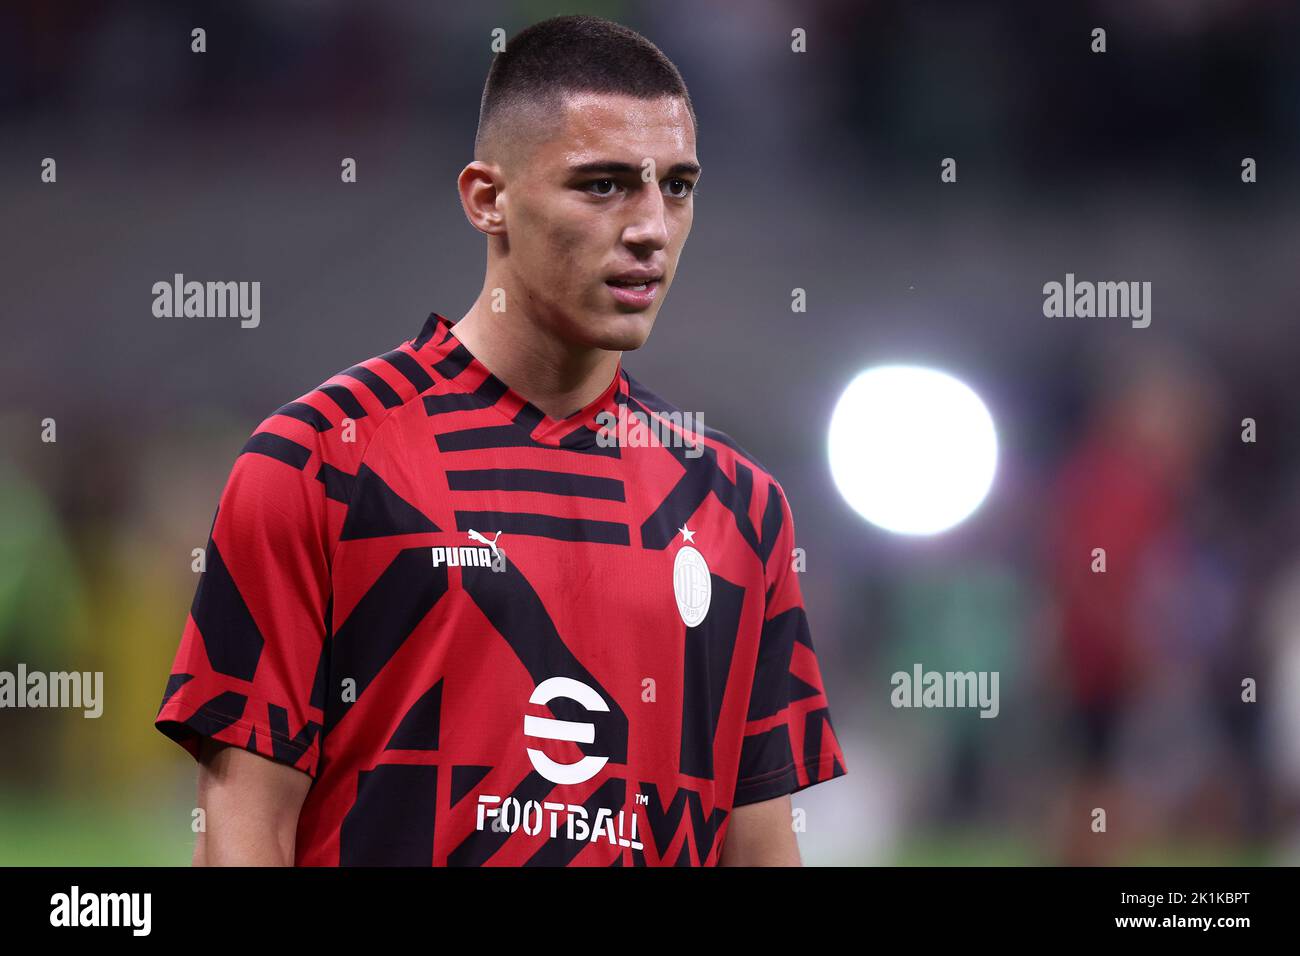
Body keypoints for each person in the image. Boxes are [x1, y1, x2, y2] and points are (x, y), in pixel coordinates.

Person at [154, 14, 846, 866]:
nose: (652, 229)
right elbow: (246, 829)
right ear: (489, 199)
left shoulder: (739, 510)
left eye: (676, 185)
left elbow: (760, 844)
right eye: (602, 185)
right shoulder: (318, 464)